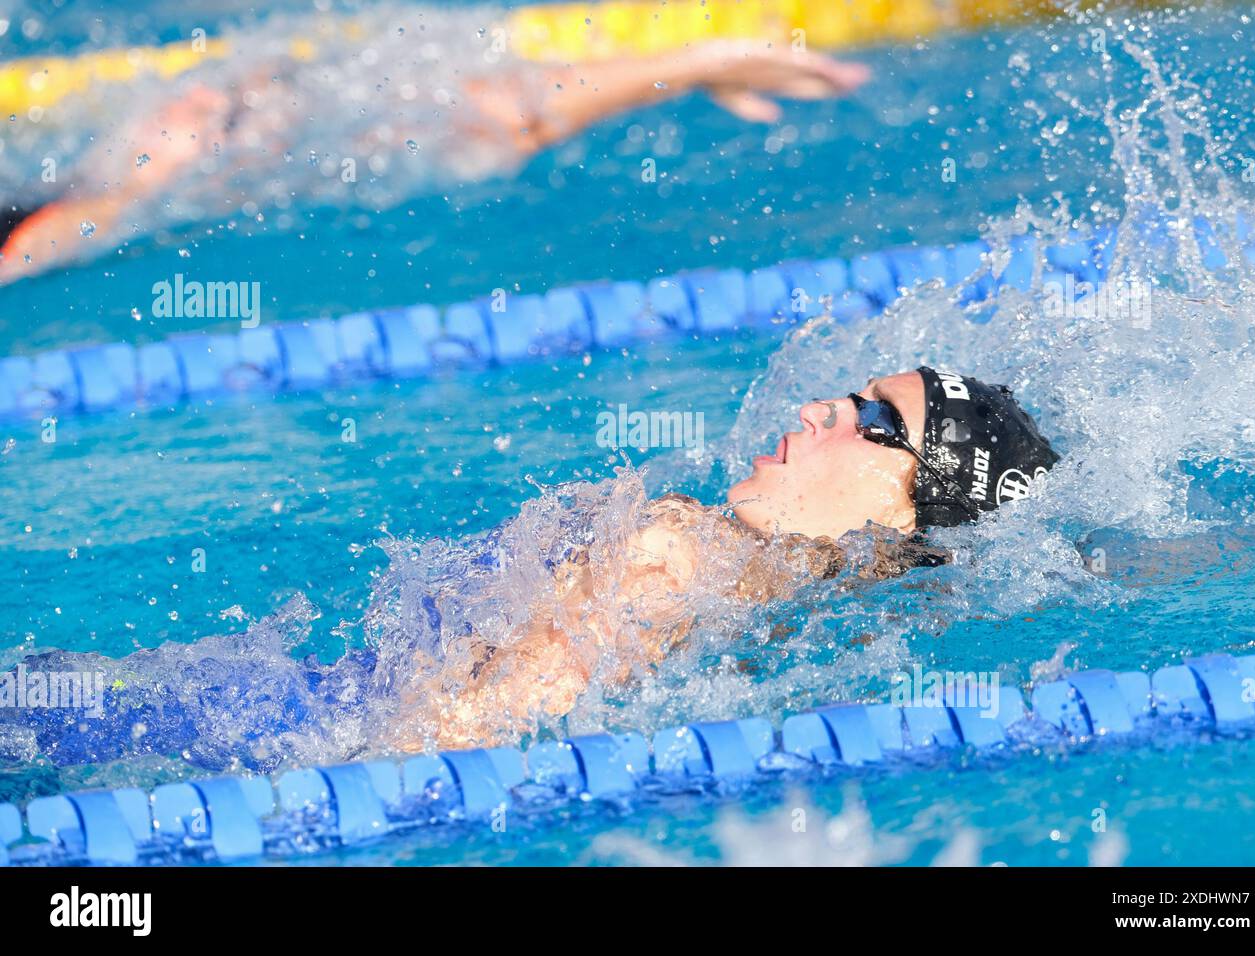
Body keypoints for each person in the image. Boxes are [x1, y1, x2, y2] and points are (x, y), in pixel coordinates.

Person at [392, 366, 1060, 750]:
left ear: (905, 515)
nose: (818, 410)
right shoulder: (692, 561)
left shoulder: (677, 554)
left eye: (877, 422)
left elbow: (441, 744)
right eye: (855, 397)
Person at [0, 9, 869, 283]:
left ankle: (703, 60)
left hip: (169, 156)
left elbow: (106, 211)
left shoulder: (32, 235)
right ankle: (700, 62)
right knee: (488, 126)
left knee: (492, 128)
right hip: (164, 150)